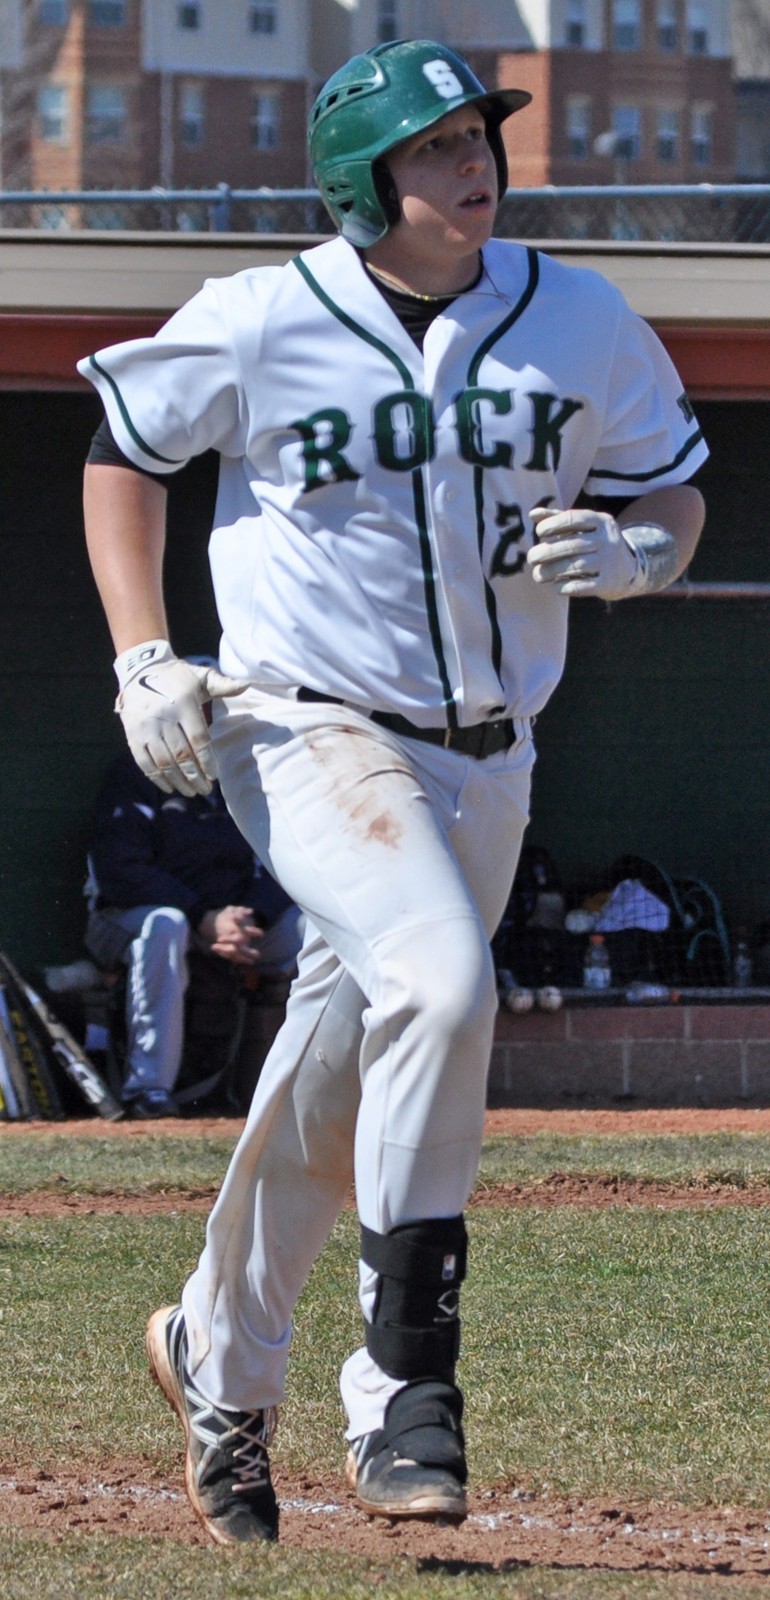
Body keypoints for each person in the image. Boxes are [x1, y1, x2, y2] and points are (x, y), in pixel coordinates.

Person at [78, 37, 707, 1543]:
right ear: (364, 180)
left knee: (338, 1072)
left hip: (490, 751)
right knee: (436, 982)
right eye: (433, 146)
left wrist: (638, 557)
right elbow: (120, 450)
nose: (472, 162)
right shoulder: (258, 317)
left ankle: (213, 1361)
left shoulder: (576, 312)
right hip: (304, 730)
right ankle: (405, 1388)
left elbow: (670, 486)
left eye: (478, 135)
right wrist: (142, 655)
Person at [84, 745, 303, 1117]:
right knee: (166, 926)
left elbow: (286, 856)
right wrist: (203, 916)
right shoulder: (135, 773)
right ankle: (149, 1090)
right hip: (130, 919)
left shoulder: (244, 772)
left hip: (232, 922)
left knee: (312, 929)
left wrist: (251, 920)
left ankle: (313, 1090)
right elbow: (120, 873)